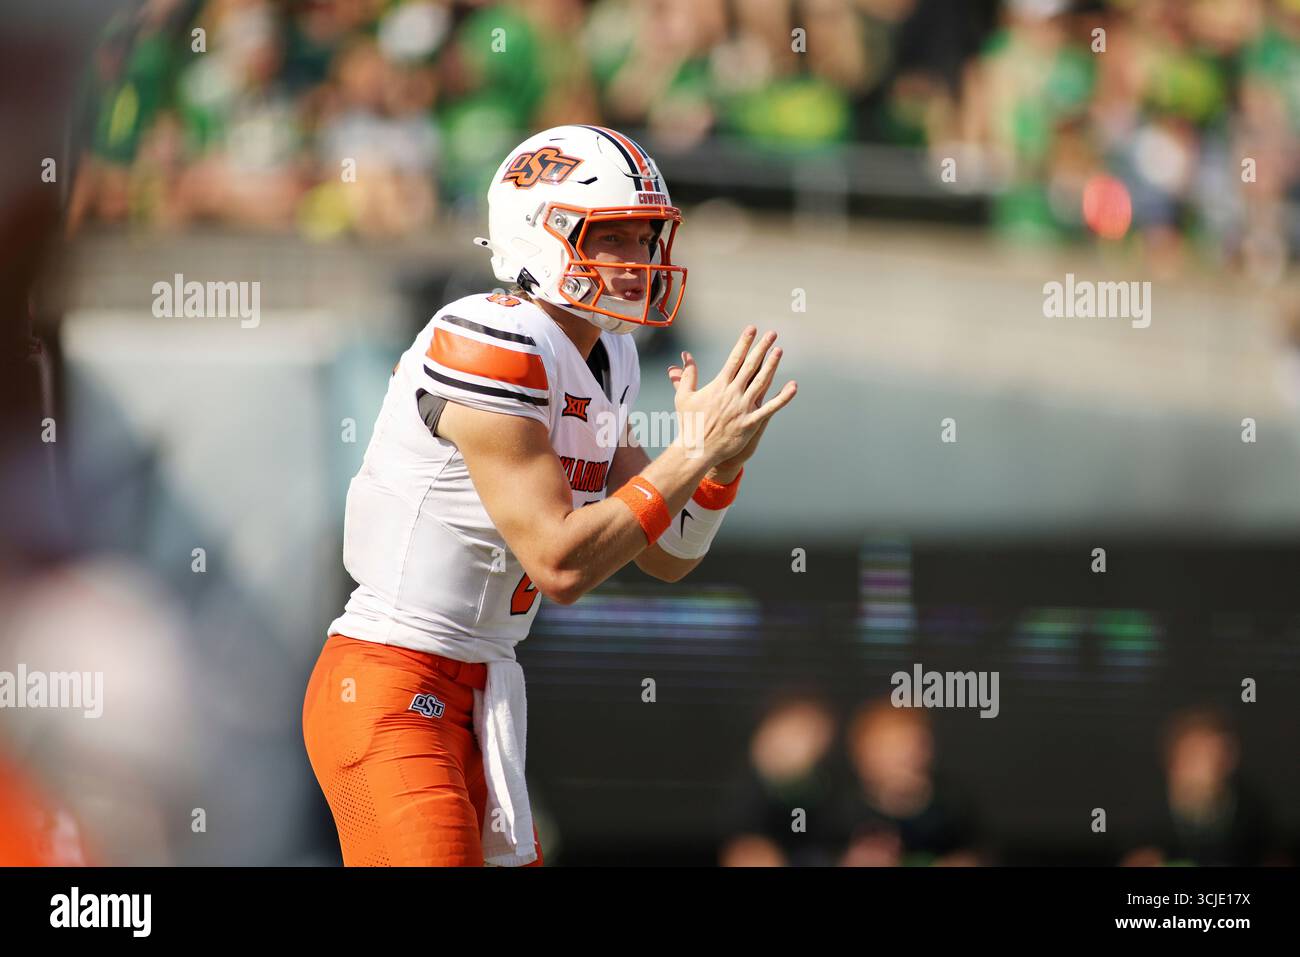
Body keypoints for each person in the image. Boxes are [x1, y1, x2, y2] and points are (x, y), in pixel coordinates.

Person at [302, 124, 798, 866]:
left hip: (480, 692)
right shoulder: (488, 338)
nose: (639, 262)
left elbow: (666, 551)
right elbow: (561, 563)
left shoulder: (610, 354)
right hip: (390, 683)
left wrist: (718, 467)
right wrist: (688, 452)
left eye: (646, 238)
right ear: (541, 235)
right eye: (614, 238)